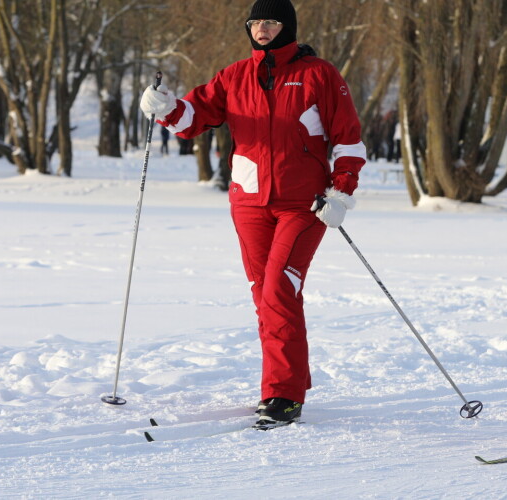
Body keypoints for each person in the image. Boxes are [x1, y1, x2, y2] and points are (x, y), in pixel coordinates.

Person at [139, 0, 366, 428]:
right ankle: (285, 381)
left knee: (279, 289)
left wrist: (341, 192)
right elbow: (194, 117)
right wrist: (165, 106)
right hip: (249, 202)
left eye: (271, 21)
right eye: (255, 22)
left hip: (304, 205)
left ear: (288, 27)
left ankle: (283, 395)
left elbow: (348, 137)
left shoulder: (318, 74)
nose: (261, 28)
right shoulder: (234, 76)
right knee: (265, 296)